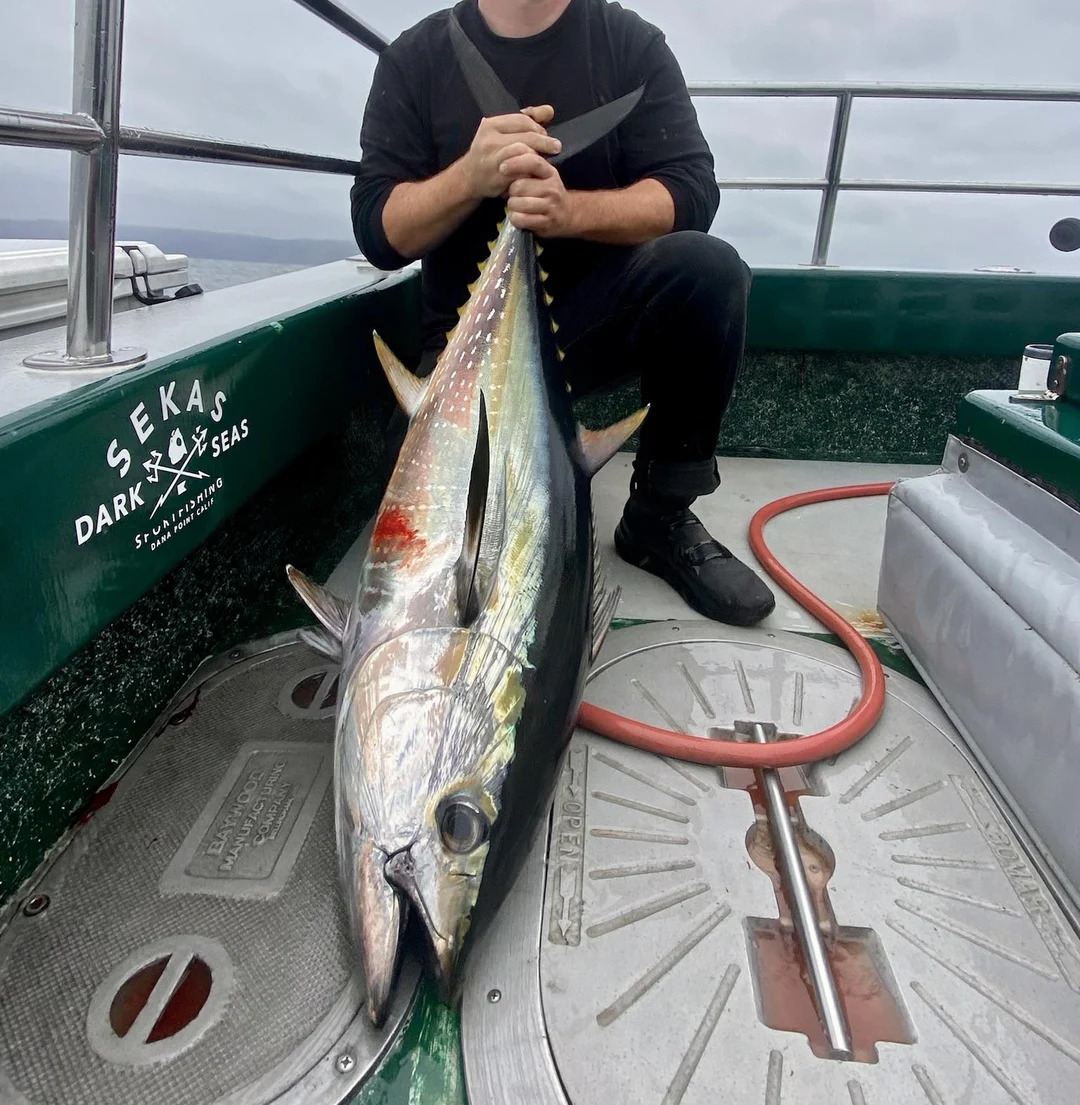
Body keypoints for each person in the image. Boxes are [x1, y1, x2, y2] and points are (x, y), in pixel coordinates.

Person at [350, 0, 776, 626]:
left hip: (598, 320)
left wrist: (566, 211)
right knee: (418, 525)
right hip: (466, 350)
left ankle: (657, 517)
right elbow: (378, 233)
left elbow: (691, 190)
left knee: (709, 272)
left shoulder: (629, 44)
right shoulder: (415, 57)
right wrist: (471, 175)